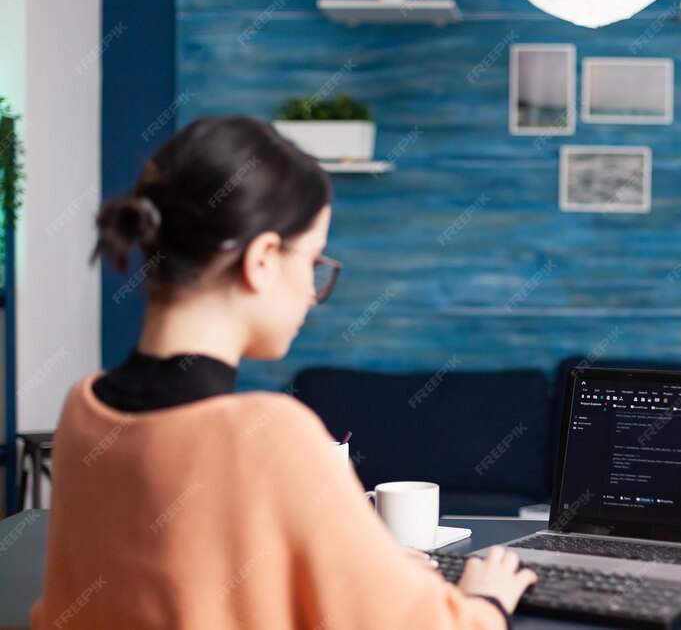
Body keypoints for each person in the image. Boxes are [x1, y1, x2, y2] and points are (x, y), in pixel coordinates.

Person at [31, 115, 536, 629]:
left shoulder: (82, 410)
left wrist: (368, 570)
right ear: (264, 259)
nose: (314, 296)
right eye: (313, 261)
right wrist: (484, 602)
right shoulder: (270, 433)